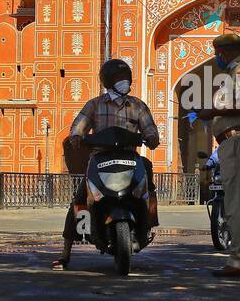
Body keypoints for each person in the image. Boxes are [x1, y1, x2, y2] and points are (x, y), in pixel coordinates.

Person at [52, 58, 160, 270]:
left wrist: (152, 137)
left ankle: (147, 224)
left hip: (130, 158)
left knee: (148, 187)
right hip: (101, 159)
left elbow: (150, 129)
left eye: (126, 78)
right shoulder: (95, 105)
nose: (124, 82)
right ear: (109, 81)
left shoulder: (137, 105)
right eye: (119, 78)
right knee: (80, 199)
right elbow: (79, 125)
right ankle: (65, 253)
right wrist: (76, 136)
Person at [195, 32, 240, 277]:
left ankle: (239, 260)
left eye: (217, 54)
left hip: (237, 141)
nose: (216, 59)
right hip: (239, 139)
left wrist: (211, 110)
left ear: (223, 52)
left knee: (236, 203)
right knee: (238, 201)